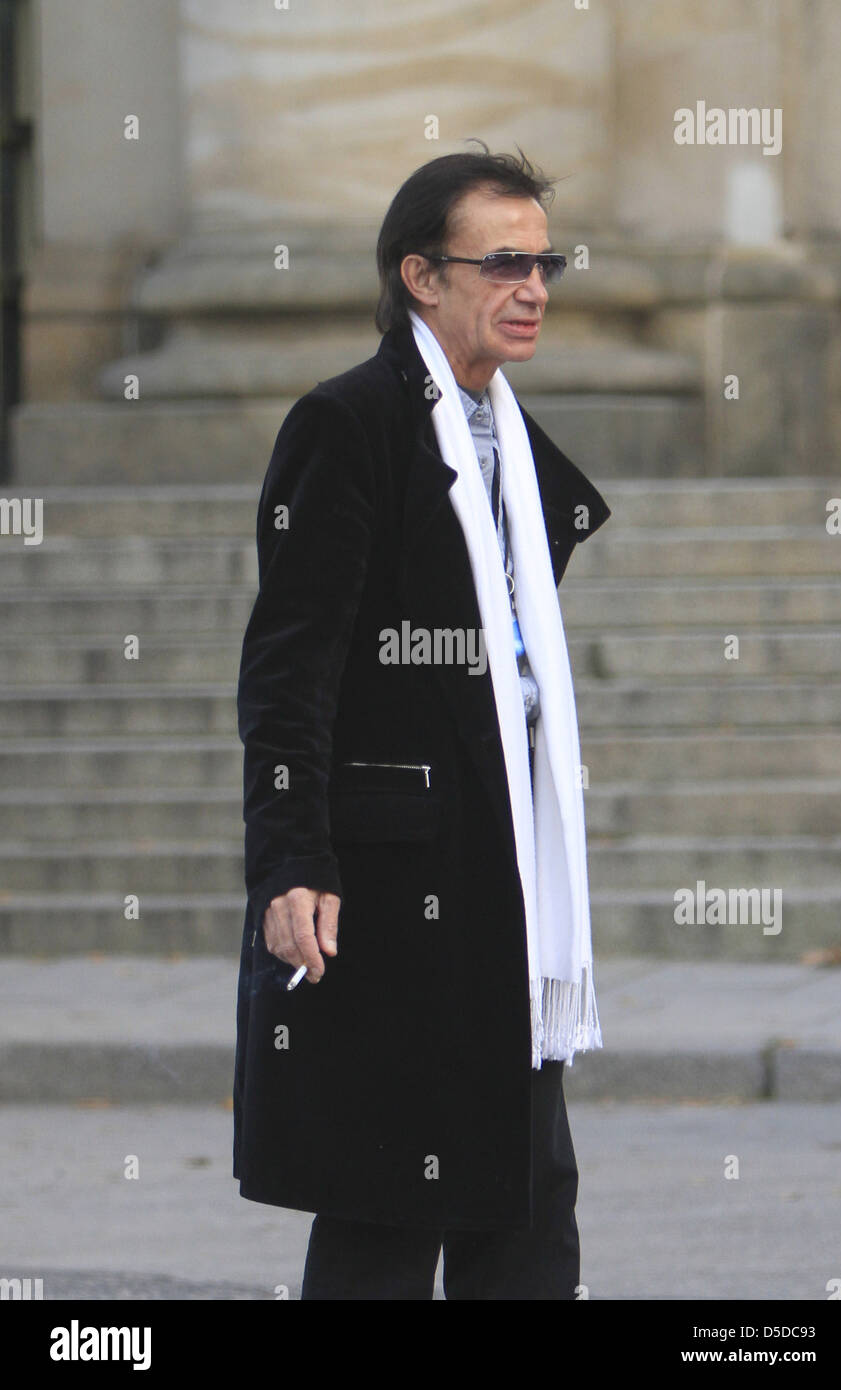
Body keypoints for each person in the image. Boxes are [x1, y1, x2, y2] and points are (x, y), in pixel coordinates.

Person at [233, 142, 611, 1300]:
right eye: (500, 261)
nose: (532, 285)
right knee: (385, 1210)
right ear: (419, 276)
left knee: (525, 1200)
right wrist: (291, 857)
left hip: (511, 876)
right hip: (392, 884)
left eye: (542, 261)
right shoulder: (348, 425)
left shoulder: (517, 450)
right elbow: (290, 666)